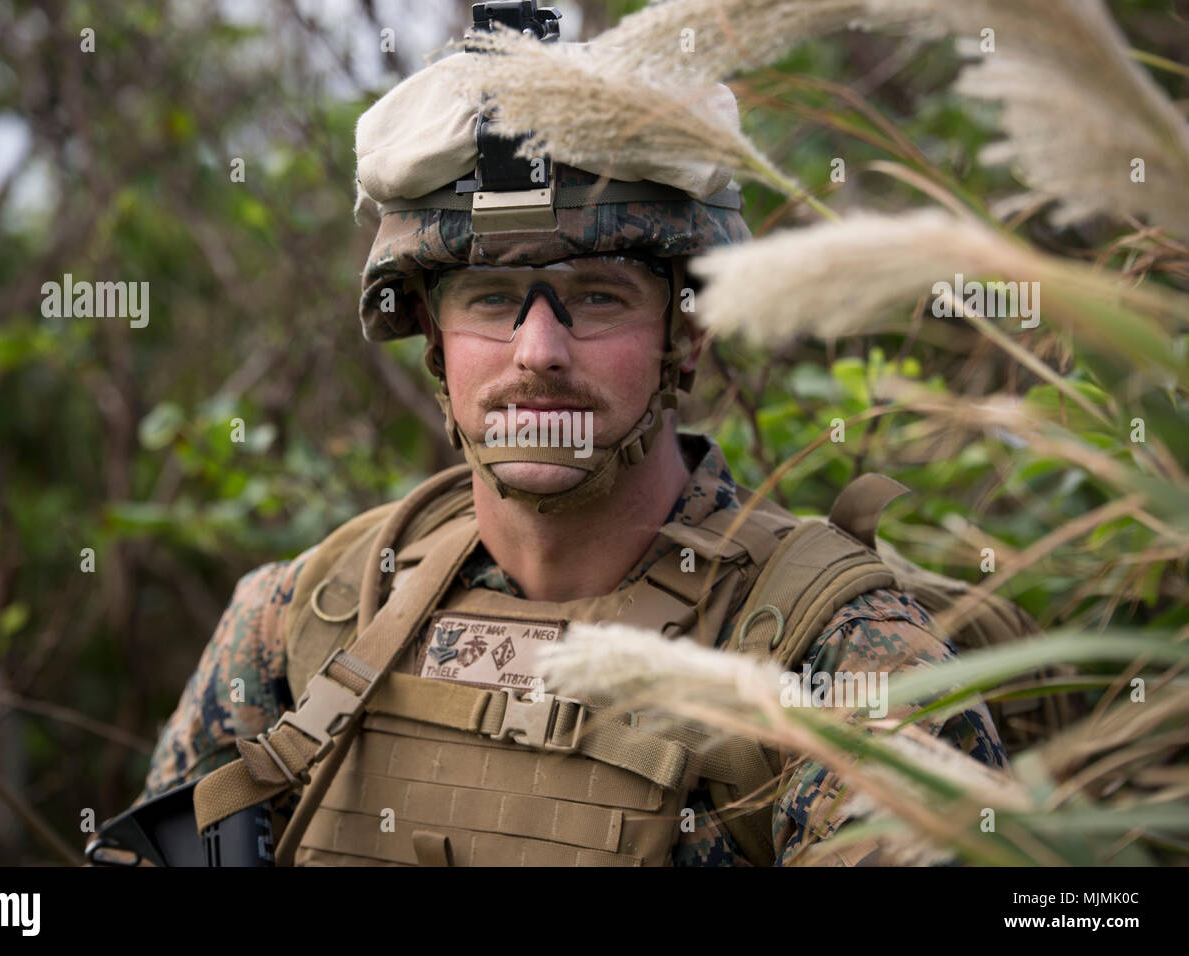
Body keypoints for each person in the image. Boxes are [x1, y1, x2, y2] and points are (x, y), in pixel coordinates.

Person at [135, 42, 1008, 867]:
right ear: (436, 343)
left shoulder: (841, 654)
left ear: (687, 337)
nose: (539, 351)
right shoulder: (307, 616)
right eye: (490, 299)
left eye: (597, 297)